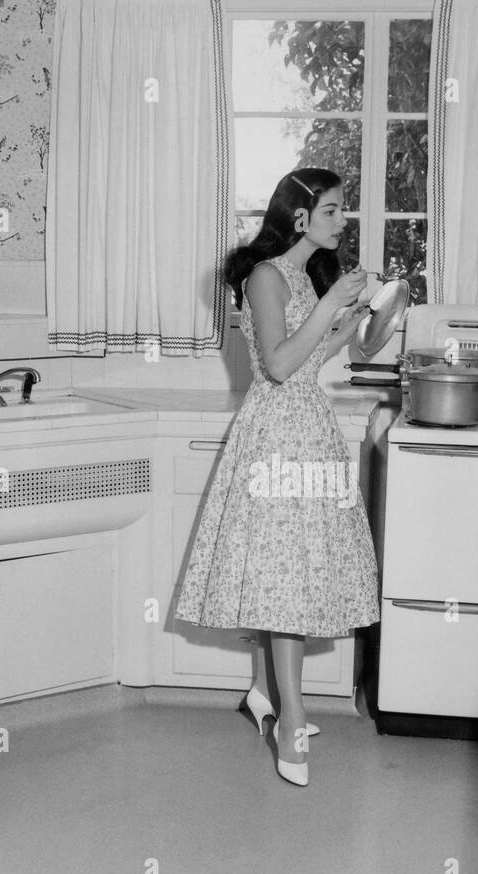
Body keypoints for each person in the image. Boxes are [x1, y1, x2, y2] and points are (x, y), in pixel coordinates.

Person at [174, 167, 380, 787]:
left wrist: (368, 315)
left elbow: (326, 351)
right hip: (277, 434)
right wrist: (332, 305)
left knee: (292, 569)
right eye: (334, 211)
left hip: (309, 430)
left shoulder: (301, 276)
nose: (343, 220)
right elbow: (282, 364)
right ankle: (292, 719)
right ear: (299, 216)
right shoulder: (266, 277)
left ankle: (264, 692)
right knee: (284, 576)